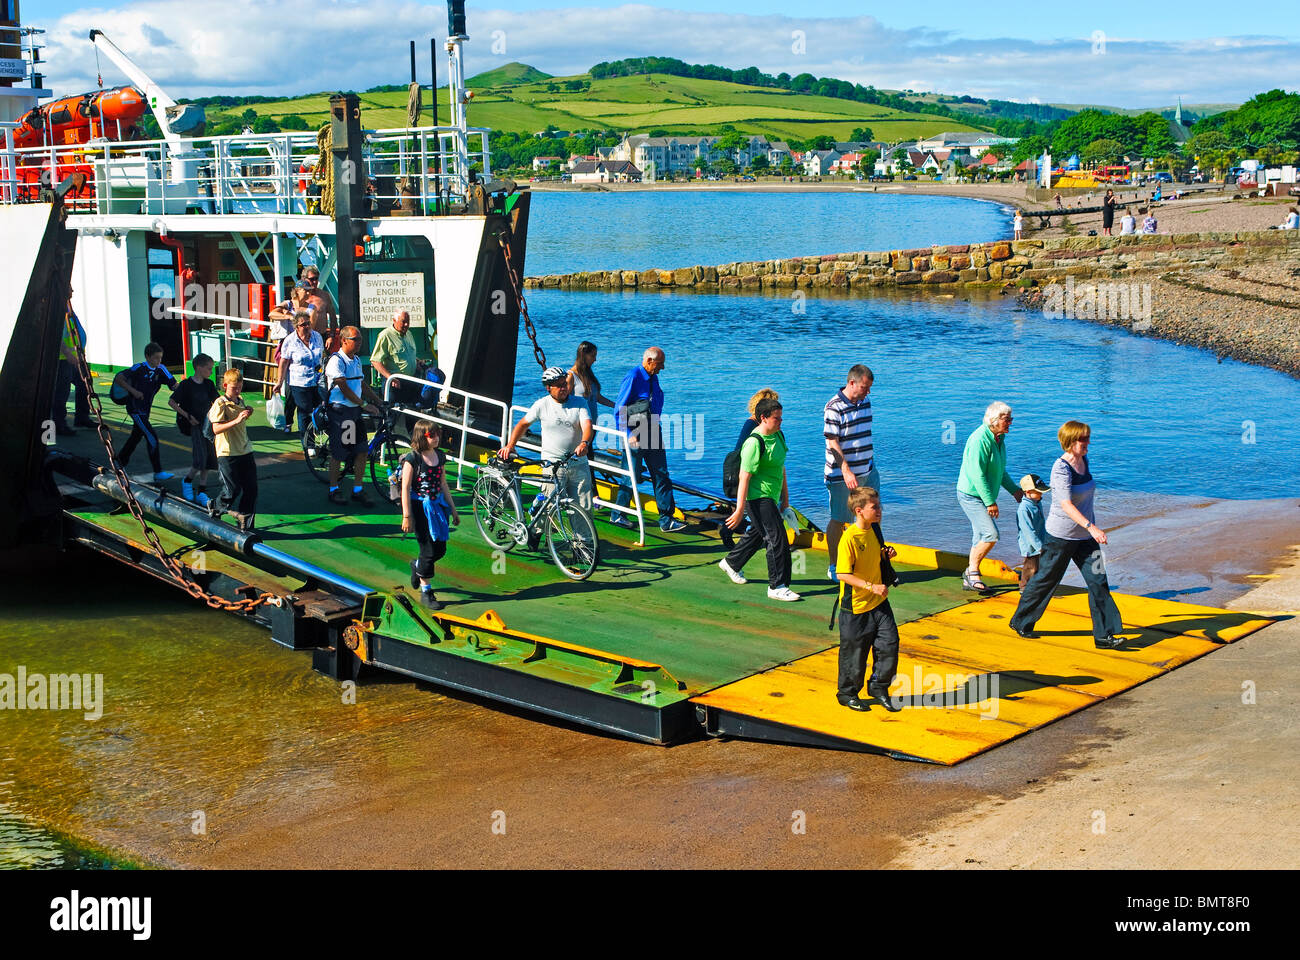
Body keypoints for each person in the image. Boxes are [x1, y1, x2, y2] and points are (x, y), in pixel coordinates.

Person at [1010, 421, 1125, 649]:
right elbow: (1065, 504)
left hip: (1085, 541)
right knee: (1046, 580)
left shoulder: (1084, 461)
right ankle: (1021, 621)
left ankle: (1104, 636)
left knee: (1099, 582)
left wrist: (1089, 530)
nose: (1087, 443)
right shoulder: (1060, 468)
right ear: (1070, 442)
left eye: (1088, 438)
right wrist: (1091, 526)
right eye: (1083, 439)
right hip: (1061, 537)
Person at [719, 396, 799, 601]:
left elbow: (781, 468)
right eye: (776, 418)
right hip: (758, 497)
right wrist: (739, 510)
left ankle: (732, 563)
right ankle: (778, 586)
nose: (780, 422)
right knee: (777, 539)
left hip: (772, 497)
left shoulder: (779, 436)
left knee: (757, 533)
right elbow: (744, 478)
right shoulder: (754, 443)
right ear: (763, 418)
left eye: (781, 418)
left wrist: (786, 501)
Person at [823, 364, 896, 587]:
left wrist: (870, 464)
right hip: (841, 475)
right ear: (852, 382)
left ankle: (873, 561)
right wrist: (846, 470)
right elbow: (832, 442)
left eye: (870, 388)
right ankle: (835, 566)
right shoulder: (833, 407)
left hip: (869, 470)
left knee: (874, 515)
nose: (868, 392)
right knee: (840, 519)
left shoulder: (865, 402)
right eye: (865, 387)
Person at [835, 486, 901, 712]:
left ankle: (878, 687)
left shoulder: (875, 529)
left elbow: (875, 554)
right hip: (855, 607)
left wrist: (886, 554)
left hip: (879, 603)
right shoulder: (849, 538)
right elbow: (842, 574)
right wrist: (872, 586)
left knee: (889, 644)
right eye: (875, 507)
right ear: (859, 510)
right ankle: (847, 694)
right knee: (854, 654)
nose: (880, 510)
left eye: (879, 505)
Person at [498, 366, 594, 512]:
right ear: (548, 388)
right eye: (559, 385)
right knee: (549, 506)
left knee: (584, 508)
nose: (564, 388)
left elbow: (587, 426)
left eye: (565, 384)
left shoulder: (580, 403)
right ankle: (536, 532)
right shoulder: (542, 405)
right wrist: (510, 445)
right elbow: (523, 424)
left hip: (578, 464)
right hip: (553, 464)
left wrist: (584, 443)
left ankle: (585, 536)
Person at [612, 347, 686, 533]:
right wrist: (628, 435)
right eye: (660, 364)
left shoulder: (653, 377)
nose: (662, 368)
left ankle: (666, 519)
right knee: (631, 475)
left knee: (661, 473)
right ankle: (618, 513)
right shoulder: (634, 377)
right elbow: (619, 409)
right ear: (649, 361)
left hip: (652, 430)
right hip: (635, 433)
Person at [955, 400, 1023, 592]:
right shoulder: (979, 439)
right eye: (1007, 419)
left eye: (1011, 419)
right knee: (990, 535)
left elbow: (1000, 470)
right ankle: (972, 572)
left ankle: (971, 576)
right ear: (994, 420)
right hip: (970, 495)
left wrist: (1015, 491)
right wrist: (990, 502)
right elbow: (977, 474)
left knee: (980, 536)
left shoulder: (999, 439)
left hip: (982, 496)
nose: (1010, 423)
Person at [401, 421, 459, 609]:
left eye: (437, 434)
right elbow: (405, 488)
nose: (436, 438)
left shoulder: (440, 456)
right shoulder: (413, 459)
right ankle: (427, 592)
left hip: (437, 506)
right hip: (419, 507)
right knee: (428, 550)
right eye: (431, 435)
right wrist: (407, 515)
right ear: (421, 437)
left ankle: (417, 566)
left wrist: (453, 509)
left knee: (440, 549)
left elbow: (443, 484)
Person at [324, 325, 383, 507]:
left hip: (354, 411)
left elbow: (361, 383)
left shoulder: (356, 360)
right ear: (344, 340)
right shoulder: (336, 361)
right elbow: (344, 387)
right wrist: (365, 405)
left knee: (362, 450)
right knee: (340, 453)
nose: (359, 343)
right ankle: (333, 489)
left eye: (360, 340)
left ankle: (357, 488)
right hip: (341, 412)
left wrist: (378, 401)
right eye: (355, 340)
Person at [112, 342, 177, 482]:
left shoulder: (161, 369)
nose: (158, 361)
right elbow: (119, 378)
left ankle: (119, 463)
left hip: (145, 410)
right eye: (155, 358)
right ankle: (158, 471)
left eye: (160, 358)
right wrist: (134, 391)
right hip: (135, 409)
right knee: (152, 437)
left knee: (135, 437)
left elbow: (173, 385)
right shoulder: (138, 368)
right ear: (147, 357)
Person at [208, 368, 258, 532]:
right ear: (225, 385)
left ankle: (246, 524)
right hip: (227, 453)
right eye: (234, 388)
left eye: (239, 387)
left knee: (251, 489)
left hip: (245, 450)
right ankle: (215, 506)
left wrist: (247, 413)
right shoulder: (220, 403)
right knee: (232, 490)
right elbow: (216, 429)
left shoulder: (240, 400)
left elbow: (240, 419)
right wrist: (237, 420)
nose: (237, 391)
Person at [168, 353, 219, 507]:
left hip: (207, 424)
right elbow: (172, 402)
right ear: (199, 367)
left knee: (210, 457)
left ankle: (202, 490)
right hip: (194, 424)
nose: (211, 371)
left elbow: (216, 401)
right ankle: (187, 480)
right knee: (200, 457)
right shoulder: (186, 385)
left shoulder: (209, 384)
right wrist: (187, 415)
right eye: (208, 368)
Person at [277, 310, 326, 434]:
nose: (307, 326)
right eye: (303, 325)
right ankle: (308, 444)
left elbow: (321, 356)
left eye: (308, 323)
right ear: (296, 327)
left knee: (320, 408)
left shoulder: (317, 336)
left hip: (317, 380)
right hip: (299, 382)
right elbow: (284, 362)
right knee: (304, 411)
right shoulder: (290, 341)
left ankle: (318, 434)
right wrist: (279, 382)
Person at [370, 309, 428, 404]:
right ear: (394, 320)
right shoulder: (385, 335)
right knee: (392, 415)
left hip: (410, 381)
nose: (406, 325)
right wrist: (390, 377)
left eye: (408, 322)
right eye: (403, 322)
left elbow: (406, 355)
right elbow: (375, 361)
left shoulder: (409, 334)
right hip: (394, 383)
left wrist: (417, 361)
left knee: (412, 414)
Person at [52, 299, 91, 435]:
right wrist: (68, 353)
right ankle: (59, 424)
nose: (72, 291)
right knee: (61, 392)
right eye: (69, 288)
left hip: (76, 357)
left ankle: (82, 417)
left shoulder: (68, 308)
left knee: (85, 385)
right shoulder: (56, 309)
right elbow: (55, 335)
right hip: (64, 359)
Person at [1015, 473, 1050, 591]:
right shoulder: (1024, 509)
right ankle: (1024, 588)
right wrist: (1039, 546)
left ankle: (1036, 586)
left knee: (1039, 566)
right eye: (1038, 492)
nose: (1041, 494)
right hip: (1030, 545)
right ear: (1028, 492)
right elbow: (1028, 531)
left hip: (1040, 540)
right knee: (1030, 567)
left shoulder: (1037, 502)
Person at [567, 340, 614, 426]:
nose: (595, 360)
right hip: (578, 425)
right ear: (584, 356)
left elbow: (597, 397)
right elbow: (565, 401)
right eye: (592, 356)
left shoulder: (588, 374)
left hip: (593, 424)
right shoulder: (571, 376)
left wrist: (616, 405)